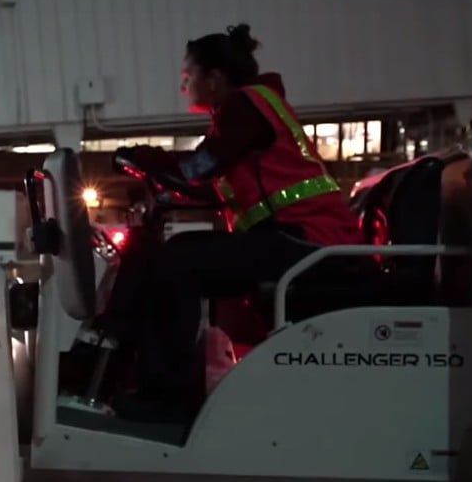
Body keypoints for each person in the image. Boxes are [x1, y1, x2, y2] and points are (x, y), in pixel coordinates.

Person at [106, 23, 363, 421]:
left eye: (187, 76)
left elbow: (198, 167)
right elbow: (214, 188)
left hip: (308, 239)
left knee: (177, 262)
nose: (183, 85)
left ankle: (164, 398)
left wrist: (140, 157)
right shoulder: (249, 111)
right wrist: (164, 192)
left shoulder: (246, 105)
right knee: (177, 256)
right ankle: (158, 385)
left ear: (214, 78)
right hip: (299, 237)